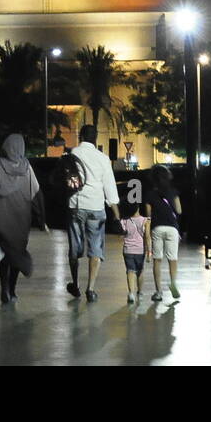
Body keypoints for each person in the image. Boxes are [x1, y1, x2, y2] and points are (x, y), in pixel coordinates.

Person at [0, 133, 47, 304]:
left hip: (0, 217)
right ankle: (12, 290)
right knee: (17, 252)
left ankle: (4, 288)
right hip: (21, 219)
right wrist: (41, 219)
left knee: (2, 253)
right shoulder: (26, 167)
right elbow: (37, 194)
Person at [65, 124, 120, 302]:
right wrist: (116, 213)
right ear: (95, 138)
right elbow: (110, 188)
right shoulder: (102, 158)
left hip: (76, 204)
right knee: (95, 247)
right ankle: (91, 288)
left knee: (75, 247)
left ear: (80, 136)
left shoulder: (72, 154)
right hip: (96, 206)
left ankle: (75, 284)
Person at [146, 164, 182, 301]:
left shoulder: (150, 194)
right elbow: (179, 211)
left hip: (157, 228)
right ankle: (173, 284)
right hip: (172, 228)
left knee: (157, 260)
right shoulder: (174, 192)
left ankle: (158, 291)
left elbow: (148, 216)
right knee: (172, 259)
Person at [118, 199, 151, 304]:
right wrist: (149, 252)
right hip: (140, 250)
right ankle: (140, 292)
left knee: (130, 270)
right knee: (140, 271)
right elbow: (147, 237)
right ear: (138, 208)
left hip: (127, 249)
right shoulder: (145, 220)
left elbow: (123, 232)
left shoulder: (124, 221)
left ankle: (131, 293)